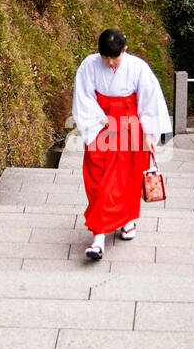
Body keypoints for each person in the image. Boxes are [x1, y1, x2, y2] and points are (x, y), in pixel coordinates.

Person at [71, 29, 172, 261]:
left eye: (113, 58)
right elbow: (84, 96)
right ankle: (120, 221)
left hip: (129, 126)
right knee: (96, 174)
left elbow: (149, 99)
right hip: (101, 123)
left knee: (124, 178)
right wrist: (98, 118)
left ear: (125, 50)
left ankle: (102, 236)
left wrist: (149, 133)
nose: (108, 62)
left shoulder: (138, 67)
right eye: (104, 57)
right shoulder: (89, 65)